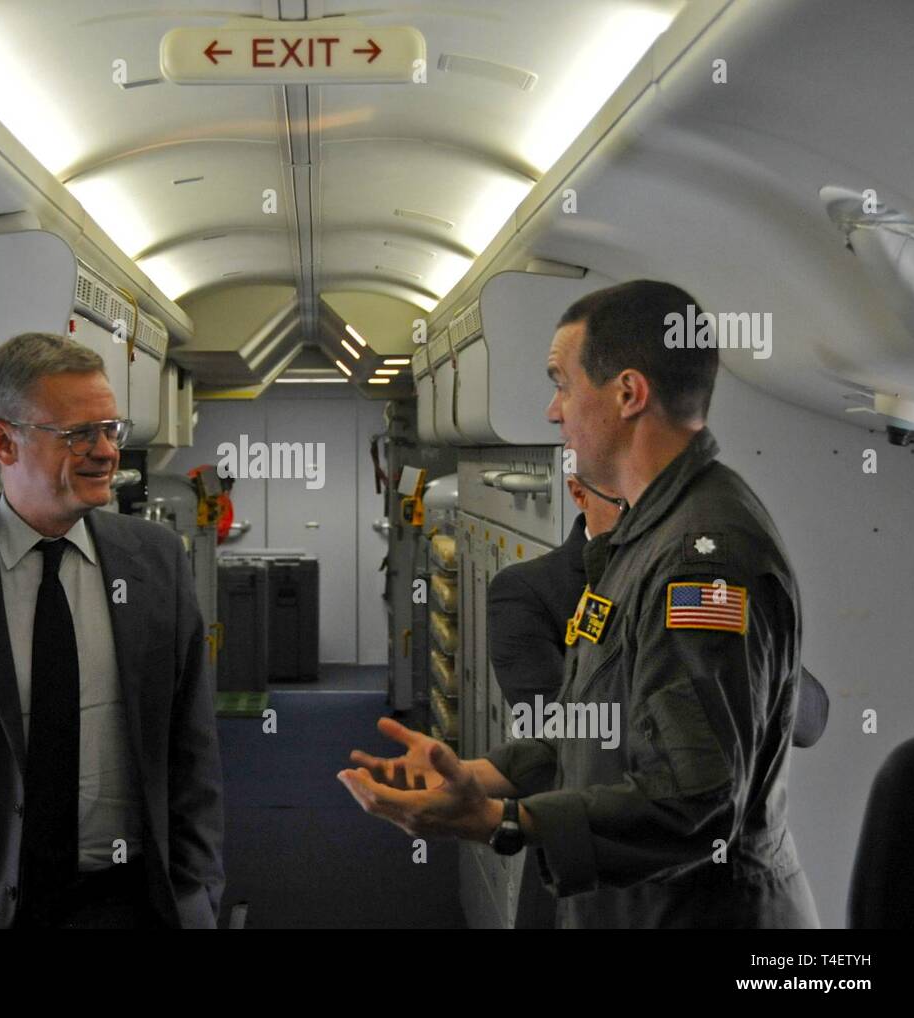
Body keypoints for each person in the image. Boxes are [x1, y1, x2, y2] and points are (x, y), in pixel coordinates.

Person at [340, 280, 819, 928]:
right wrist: (475, 774)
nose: (552, 410)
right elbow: (598, 723)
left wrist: (499, 822)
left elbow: (694, 800)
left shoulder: (702, 557)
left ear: (628, 394)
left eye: (562, 383)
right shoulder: (641, 537)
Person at [0, 332, 224, 929]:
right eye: (79, 434)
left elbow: (193, 750)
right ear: (4, 441)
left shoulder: (156, 560)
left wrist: (197, 897)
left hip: (129, 903)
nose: (105, 451)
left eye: (110, 429)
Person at [486, 473, 623, 928]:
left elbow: (805, 721)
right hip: (584, 859)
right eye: (626, 499)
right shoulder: (527, 589)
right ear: (579, 492)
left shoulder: (697, 582)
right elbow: (559, 731)